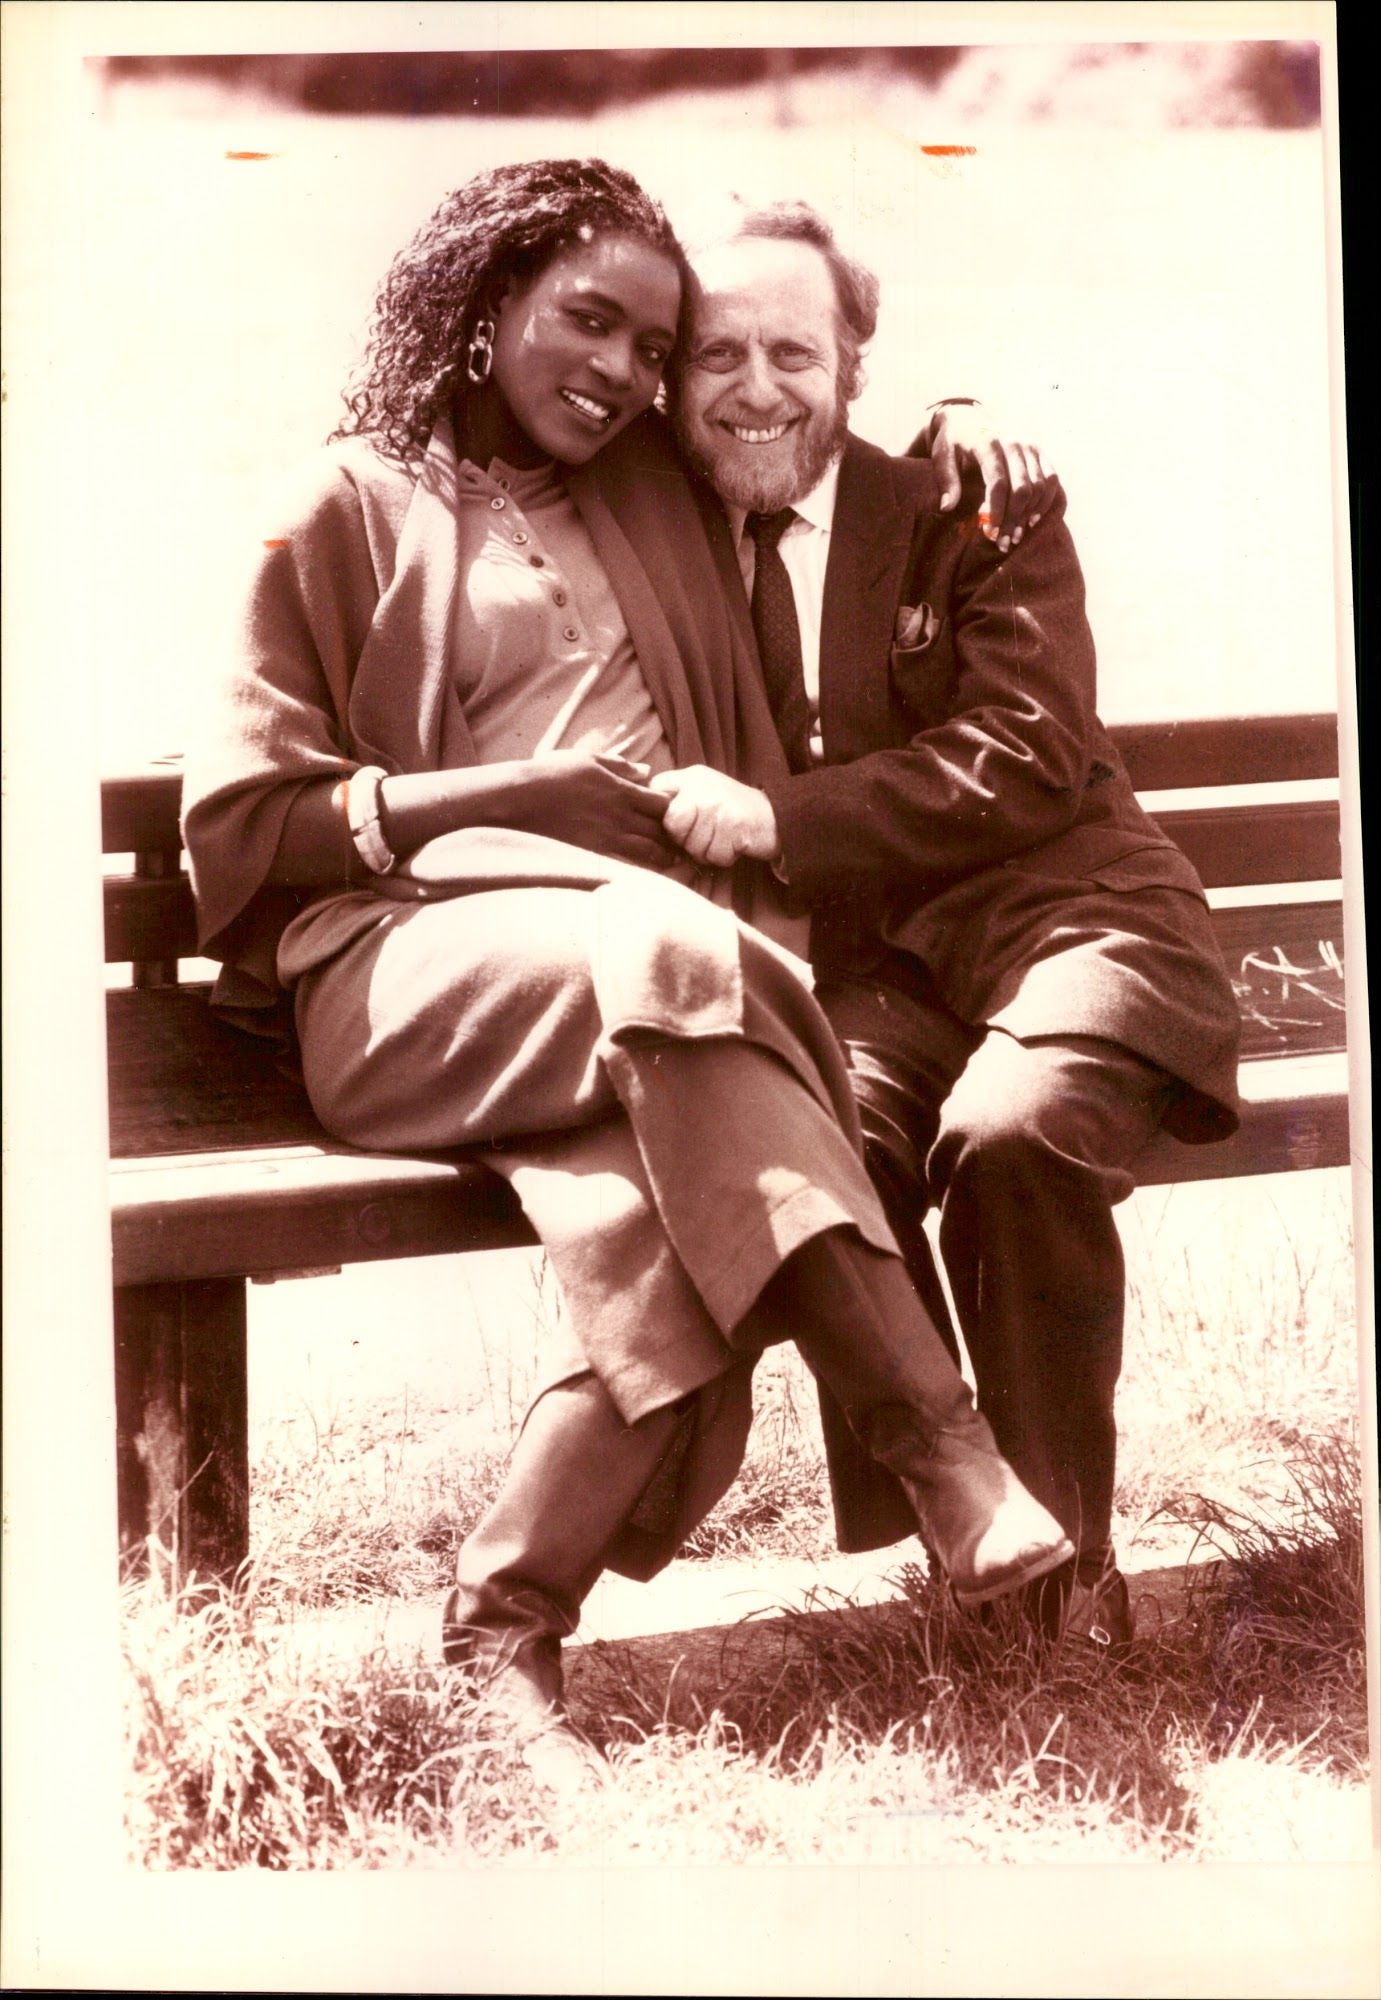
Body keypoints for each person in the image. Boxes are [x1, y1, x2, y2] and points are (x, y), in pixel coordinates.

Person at [182, 159, 1073, 1789]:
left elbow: (801, 425)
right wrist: (520, 800)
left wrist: (961, 422)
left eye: (655, 350)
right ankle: (941, 1449)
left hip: (659, 1002)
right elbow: (243, 829)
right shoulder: (343, 504)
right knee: (676, 950)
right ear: (482, 303)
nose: (628, 373)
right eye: (586, 320)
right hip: (408, 972)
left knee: (673, 1239)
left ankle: (495, 1638)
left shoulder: (643, 484)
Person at [651, 203, 1244, 1652]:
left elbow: (1034, 747)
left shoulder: (972, 507)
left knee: (1014, 1132)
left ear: (854, 362)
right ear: (671, 380)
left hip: (1075, 919)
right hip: (877, 974)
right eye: (715, 352)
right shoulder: (655, 530)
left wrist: (787, 822)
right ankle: (972, 1545)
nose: (754, 386)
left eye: (793, 348)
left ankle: (1059, 1590)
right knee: (819, 1161)